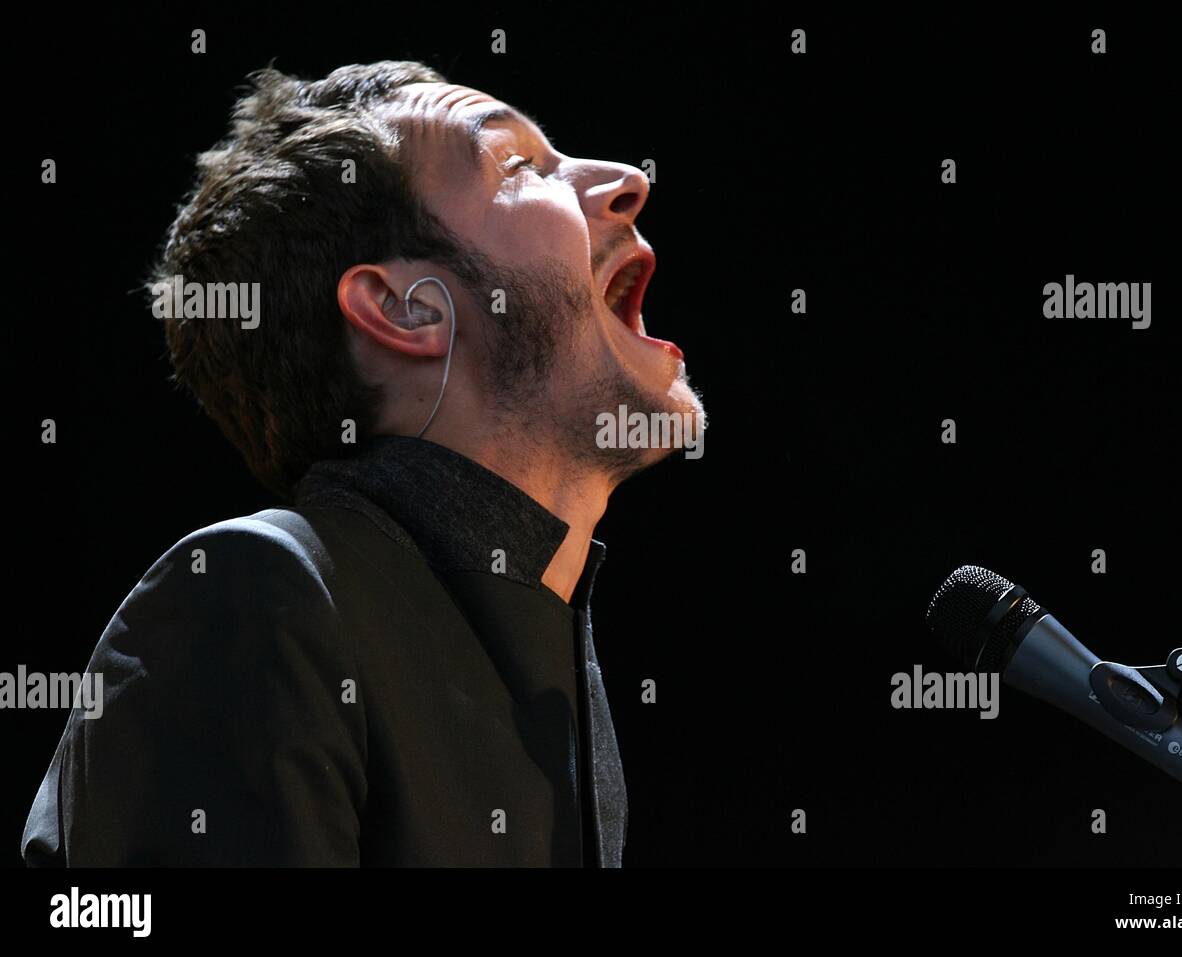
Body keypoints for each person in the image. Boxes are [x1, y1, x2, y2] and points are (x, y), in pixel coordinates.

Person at [20, 60, 706, 867]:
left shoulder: (549, 660)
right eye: (519, 165)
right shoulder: (250, 596)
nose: (626, 181)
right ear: (404, 309)